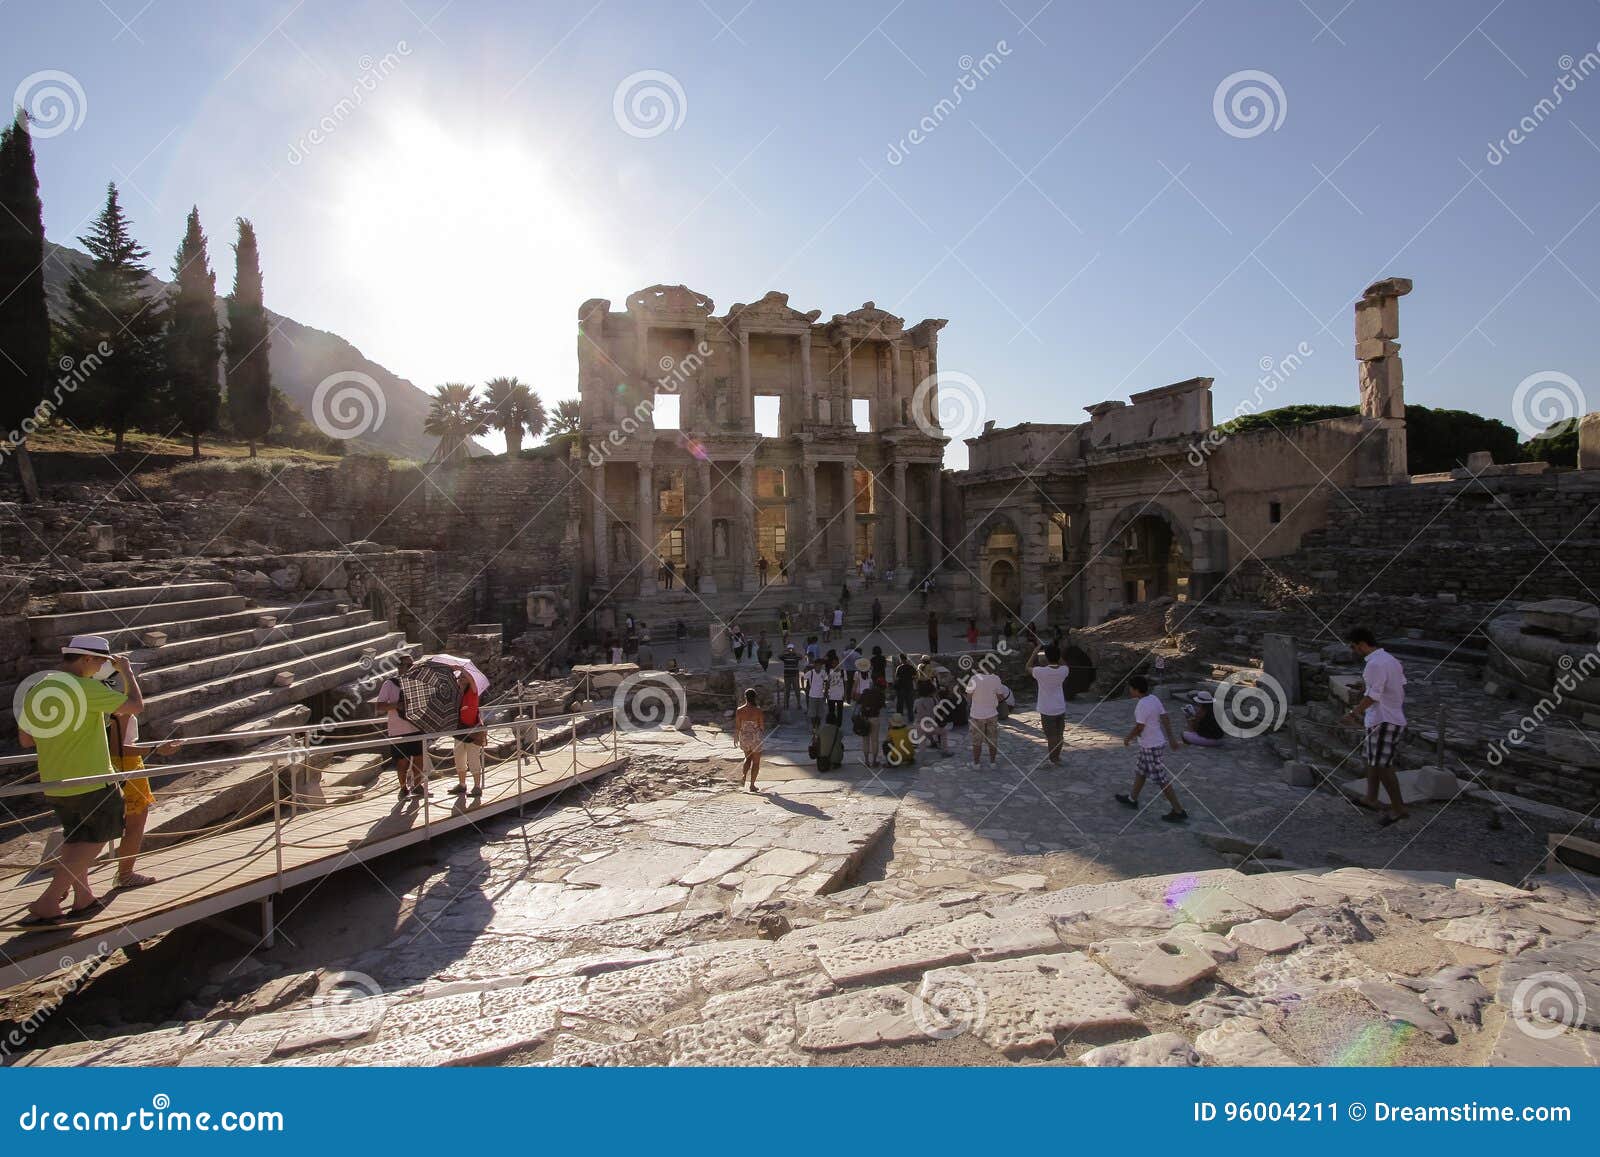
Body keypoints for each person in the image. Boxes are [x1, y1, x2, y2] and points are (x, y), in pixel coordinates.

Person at [18, 636, 144, 924]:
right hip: (92, 778)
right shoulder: (86, 688)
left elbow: (26, 739)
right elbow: (135, 706)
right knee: (97, 837)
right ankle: (48, 901)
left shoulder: (39, 688)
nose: (102, 667)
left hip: (54, 781)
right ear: (86, 659)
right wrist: (126, 672)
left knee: (77, 839)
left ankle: (83, 897)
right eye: (101, 661)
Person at [105, 686, 180, 889]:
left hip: (106, 766)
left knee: (103, 825)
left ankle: (69, 884)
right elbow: (118, 747)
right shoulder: (121, 707)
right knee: (135, 823)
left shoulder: (101, 704)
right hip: (126, 767)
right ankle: (125, 874)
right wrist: (156, 749)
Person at [1342, 627, 1410, 825]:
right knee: (1373, 760)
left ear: (1362, 644)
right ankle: (1370, 798)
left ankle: (1399, 808)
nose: (1354, 651)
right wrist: (1363, 686)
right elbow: (1393, 685)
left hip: (1384, 719)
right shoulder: (1390, 660)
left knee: (1382, 765)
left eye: (1354, 647)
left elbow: (1374, 695)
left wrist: (1354, 713)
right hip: (1386, 716)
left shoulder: (1374, 664)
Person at [1115, 675, 1188, 822]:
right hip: (1154, 742)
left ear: (1136, 690)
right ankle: (1132, 799)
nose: (1130, 690)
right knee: (1141, 771)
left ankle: (1178, 810)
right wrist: (1171, 738)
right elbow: (1165, 717)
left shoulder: (1142, 705)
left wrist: (1128, 737)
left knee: (1161, 779)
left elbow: (1140, 726)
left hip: (1151, 746)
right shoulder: (1154, 698)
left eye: (1131, 688)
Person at [377, 654, 427, 799]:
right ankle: (403, 788)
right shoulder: (389, 684)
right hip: (398, 729)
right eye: (408, 665)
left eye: (412, 665)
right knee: (402, 762)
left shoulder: (416, 683)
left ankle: (417, 786)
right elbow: (380, 706)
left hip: (416, 727)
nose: (412, 668)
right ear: (399, 667)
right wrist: (397, 705)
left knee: (419, 759)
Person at [447, 668, 486, 799]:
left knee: (473, 758)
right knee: (459, 758)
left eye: (464, 677)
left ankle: (477, 786)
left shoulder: (473, 692)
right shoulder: (457, 694)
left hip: (472, 730)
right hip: (459, 729)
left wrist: (462, 669)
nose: (462, 679)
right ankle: (462, 784)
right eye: (460, 677)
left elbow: (471, 681)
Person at [1032, 645, 1070, 765]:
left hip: (1047, 709)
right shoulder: (1064, 671)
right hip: (1060, 707)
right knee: (1059, 735)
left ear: (1046, 657)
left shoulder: (1040, 671)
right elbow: (1065, 665)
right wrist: (1058, 656)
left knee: (1051, 736)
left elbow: (1027, 667)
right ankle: (1056, 757)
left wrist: (1034, 652)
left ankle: (1052, 759)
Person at [966, 668, 1013, 766]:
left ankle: (976, 763)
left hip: (977, 714)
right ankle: (992, 762)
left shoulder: (974, 678)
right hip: (992, 713)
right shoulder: (996, 678)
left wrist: (970, 706)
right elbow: (1001, 697)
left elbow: (969, 696)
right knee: (993, 739)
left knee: (977, 741)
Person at [734, 689, 765, 792]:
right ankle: (752, 785)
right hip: (756, 738)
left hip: (744, 737)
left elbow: (738, 726)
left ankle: (743, 776)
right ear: (755, 697)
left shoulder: (739, 710)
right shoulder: (758, 711)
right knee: (756, 763)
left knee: (747, 758)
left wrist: (735, 737)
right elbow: (761, 726)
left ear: (745, 697)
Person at [856, 672, 886, 767]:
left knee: (865, 740)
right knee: (874, 740)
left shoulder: (866, 692)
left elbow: (859, 702)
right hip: (875, 718)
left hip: (864, 718)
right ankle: (874, 761)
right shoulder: (880, 695)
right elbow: (882, 706)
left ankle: (866, 760)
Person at [914, 682, 950, 757]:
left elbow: (915, 711)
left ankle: (923, 757)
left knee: (922, 742)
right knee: (944, 733)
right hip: (931, 724)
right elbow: (939, 709)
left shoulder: (917, 701)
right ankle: (945, 751)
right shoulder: (933, 700)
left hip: (920, 725)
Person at [805, 656, 829, 730]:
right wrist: (804, 687)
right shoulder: (810, 673)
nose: (819, 666)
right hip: (812, 696)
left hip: (820, 696)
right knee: (813, 713)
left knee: (819, 714)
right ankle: (814, 726)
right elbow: (803, 677)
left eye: (820, 665)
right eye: (817, 665)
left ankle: (817, 726)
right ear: (815, 665)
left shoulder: (823, 672)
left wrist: (825, 692)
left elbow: (826, 681)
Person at [780, 643, 802, 716]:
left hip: (794, 675)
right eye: (789, 648)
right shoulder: (785, 656)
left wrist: (794, 652)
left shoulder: (796, 656)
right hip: (787, 676)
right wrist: (785, 650)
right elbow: (779, 656)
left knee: (797, 690)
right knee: (787, 690)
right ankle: (786, 704)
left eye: (791, 648)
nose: (790, 650)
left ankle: (798, 704)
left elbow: (801, 656)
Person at [894, 653, 916, 718]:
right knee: (910, 704)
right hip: (909, 687)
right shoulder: (911, 667)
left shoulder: (899, 668)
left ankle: (899, 719)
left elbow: (897, 678)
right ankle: (911, 718)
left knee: (900, 704)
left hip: (901, 688)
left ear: (901, 659)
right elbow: (915, 676)